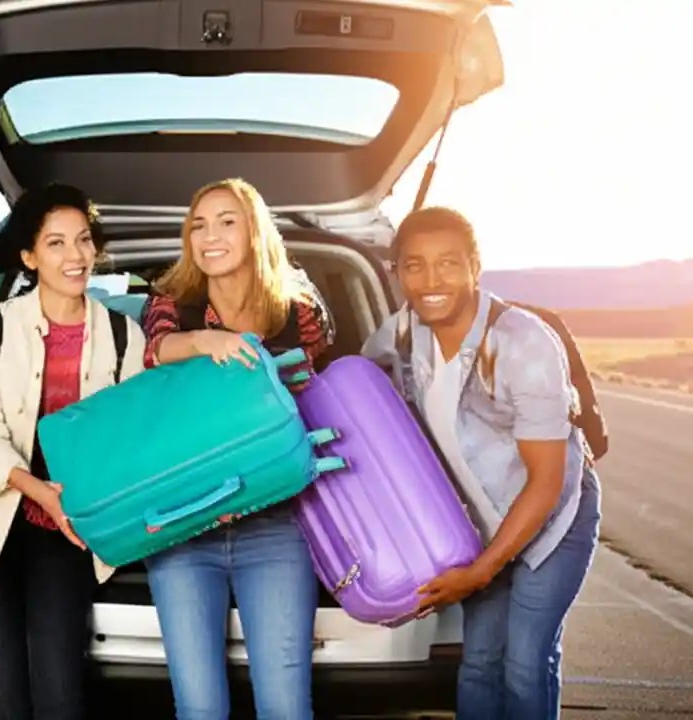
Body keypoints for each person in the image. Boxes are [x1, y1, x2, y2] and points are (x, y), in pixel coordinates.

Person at [361, 207, 601, 720]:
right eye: (415, 265)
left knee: (524, 663)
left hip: (552, 518)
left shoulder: (523, 343)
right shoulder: (400, 334)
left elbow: (547, 482)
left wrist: (480, 572)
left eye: (448, 263)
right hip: (481, 521)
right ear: (397, 273)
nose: (431, 281)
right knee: (478, 664)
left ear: (475, 266)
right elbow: (357, 386)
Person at [0, 183, 147, 720]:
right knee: (1, 698)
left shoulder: (125, 336)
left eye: (83, 239)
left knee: (60, 696)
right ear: (30, 257)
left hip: (67, 530)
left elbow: (126, 441)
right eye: (56, 243)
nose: (75, 255)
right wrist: (37, 490)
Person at [139, 177, 336, 720]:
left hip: (276, 529)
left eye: (227, 222)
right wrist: (206, 342)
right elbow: (154, 351)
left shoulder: (298, 311)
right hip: (184, 528)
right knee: (199, 709)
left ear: (255, 231)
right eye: (198, 225)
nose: (211, 236)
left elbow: (321, 393)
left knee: (286, 706)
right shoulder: (171, 304)